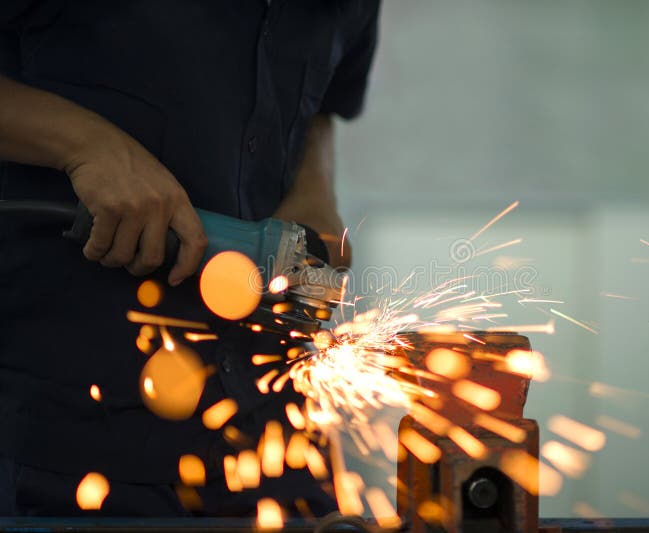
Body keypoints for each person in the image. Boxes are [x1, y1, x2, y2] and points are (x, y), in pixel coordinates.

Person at [0, 0, 380, 517]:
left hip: (272, 431)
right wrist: (85, 144)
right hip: (73, 436)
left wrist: (315, 190)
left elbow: (322, 103)